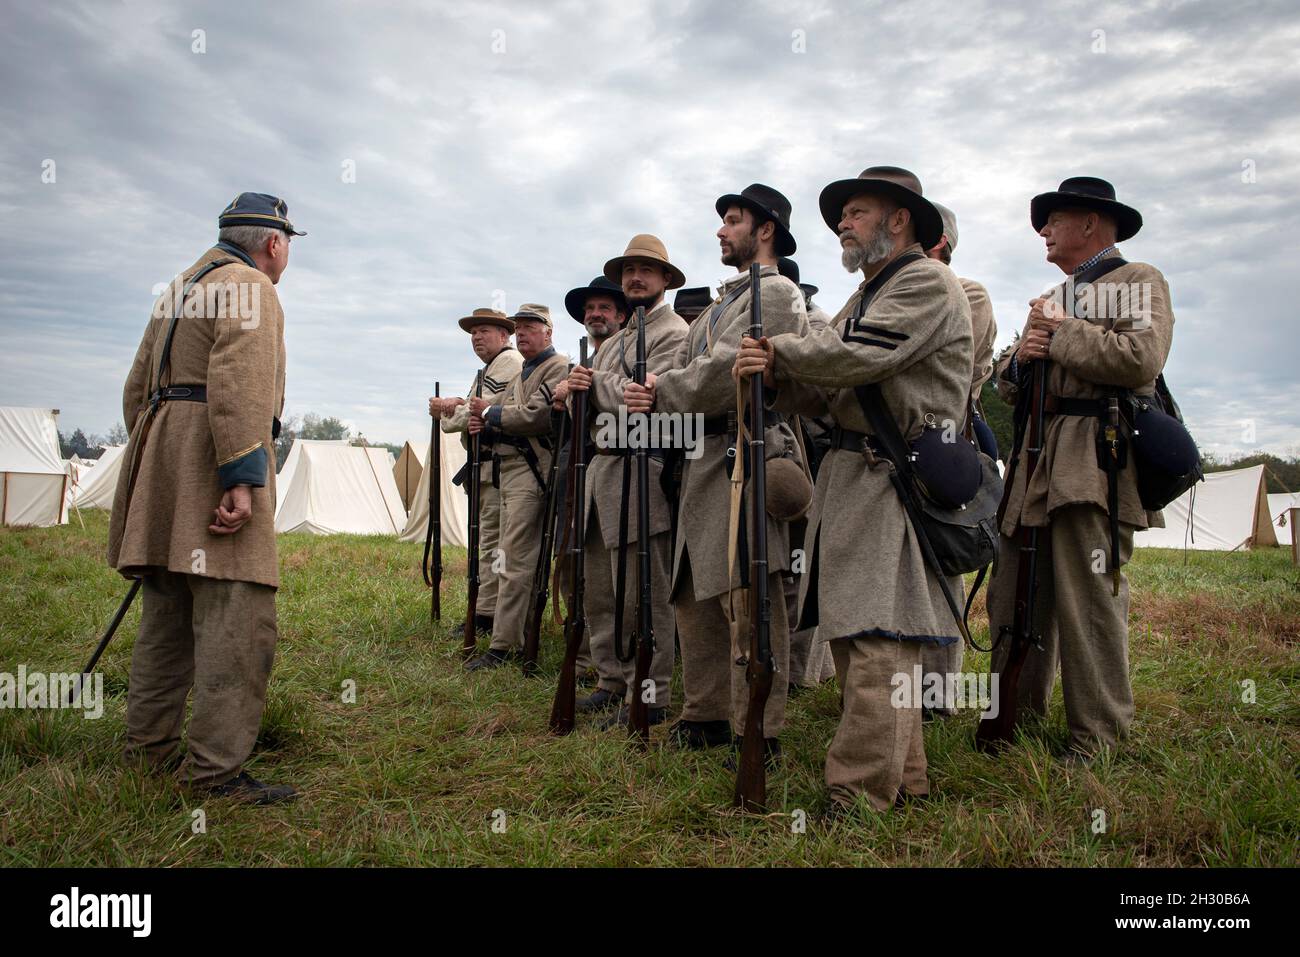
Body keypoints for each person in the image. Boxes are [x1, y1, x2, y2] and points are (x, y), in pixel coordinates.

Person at [734, 167, 972, 813]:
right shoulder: (869, 292)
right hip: (857, 474)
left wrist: (775, 348)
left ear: (899, 220)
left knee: (874, 633)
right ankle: (906, 780)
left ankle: (861, 791)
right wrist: (775, 377)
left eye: (857, 211)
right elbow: (830, 385)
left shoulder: (923, 279)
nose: (842, 222)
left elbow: (860, 357)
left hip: (888, 474)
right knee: (872, 630)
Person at [108, 192, 304, 804]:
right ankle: (215, 773)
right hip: (213, 455)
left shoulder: (178, 286)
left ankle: (150, 750)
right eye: (288, 246)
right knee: (237, 618)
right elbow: (240, 382)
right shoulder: (250, 284)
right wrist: (241, 476)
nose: (286, 257)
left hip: (163, 450)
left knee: (166, 616)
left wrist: (156, 460)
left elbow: (136, 390)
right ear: (274, 243)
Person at [987, 176, 1173, 763]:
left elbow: (1139, 358)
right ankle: (1014, 716)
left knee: (1089, 601)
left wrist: (1060, 333)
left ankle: (1099, 737)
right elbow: (1009, 381)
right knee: (1014, 594)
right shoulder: (1054, 294)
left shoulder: (1137, 280)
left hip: (1092, 459)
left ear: (1090, 224)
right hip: (1035, 459)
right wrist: (1020, 359)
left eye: (1054, 220)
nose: (1044, 231)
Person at [625, 186, 809, 758]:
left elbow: (719, 374)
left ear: (766, 230)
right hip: (700, 459)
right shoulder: (716, 307)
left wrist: (660, 392)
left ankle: (760, 728)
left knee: (748, 597)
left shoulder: (776, 293)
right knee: (694, 594)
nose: (721, 231)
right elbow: (691, 367)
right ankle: (704, 713)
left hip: (743, 453)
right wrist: (667, 390)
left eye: (733, 221)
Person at [568, 236, 689, 726]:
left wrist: (591, 382)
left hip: (644, 466)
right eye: (629, 270)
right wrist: (578, 387)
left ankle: (652, 693)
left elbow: (640, 399)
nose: (635, 278)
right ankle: (611, 679)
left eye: (646, 270)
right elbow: (606, 398)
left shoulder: (673, 332)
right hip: (603, 466)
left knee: (645, 591)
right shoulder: (617, 339)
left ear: (664, 280)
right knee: (600, 588)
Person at [919, 202, 1000, 716]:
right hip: (902, 446)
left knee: (944, 564)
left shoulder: (965, 293)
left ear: (939, 245)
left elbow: (945, 372)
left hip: (941, 446)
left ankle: (938, 695)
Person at [465, 305, 569, 670]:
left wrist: (490, 415)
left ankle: (504, 644)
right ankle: (512, 635)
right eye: (519, 328)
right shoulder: (524, 371)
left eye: (530, 327)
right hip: (511, 472)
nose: (522, 333)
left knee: (514, 559)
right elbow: (502, 405)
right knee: (511, 557)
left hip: (532, 472)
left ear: (548, 332)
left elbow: (536, 415)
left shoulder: (557, 367)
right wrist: (481, 412)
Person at [553, 276, 629, 695]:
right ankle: (606, 677)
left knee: (626, 589)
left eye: (604, 308)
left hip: (623, 469)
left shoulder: (626, 354)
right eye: (590, 310)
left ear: (620, 315)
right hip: (587, 472)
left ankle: (637, 687)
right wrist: (566, 399)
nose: (595, 315)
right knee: (592, 584)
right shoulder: (587, 361)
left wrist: (587, 387)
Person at [431, 309, 523, 638]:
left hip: (500, 469)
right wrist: (459, 405)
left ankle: (487, 615)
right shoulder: (490, 367)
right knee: (489, 543)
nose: (477, 338)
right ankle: (487, 610)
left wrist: (451, 407)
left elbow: (471, 412)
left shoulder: (508, 364)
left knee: (494, 546)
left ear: (504, 335)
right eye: (474, 333)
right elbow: (469, 409)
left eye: (484, 331)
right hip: (487, 468)